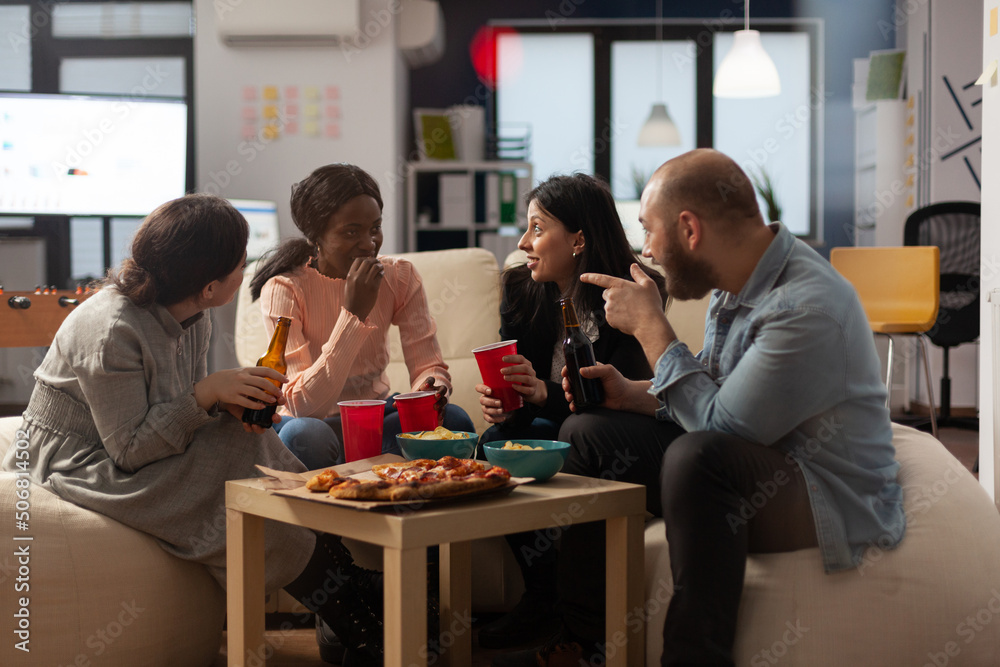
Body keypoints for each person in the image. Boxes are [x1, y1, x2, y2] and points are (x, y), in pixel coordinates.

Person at [494, 148, 905, 667]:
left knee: (698, 457)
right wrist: (630, 393)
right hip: (762, 457)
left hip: (823, 488)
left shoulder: (804, 306)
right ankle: (585, 635)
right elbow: (709, 385)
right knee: (585, 428)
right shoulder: (736, 287)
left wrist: (651, 329)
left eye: (650, 231)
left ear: (689, 229)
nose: (647, 250)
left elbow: (724, 427)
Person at [0, 195, 388, 665]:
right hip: (81, 458)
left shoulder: (193, 316)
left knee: (248, 437)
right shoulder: (110, 332)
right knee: (230, 469)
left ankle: (343, 584)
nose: (246, 271)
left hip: (134, 442)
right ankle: (351, 608)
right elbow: (130, 449)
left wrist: (225, 402)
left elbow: (176, 413)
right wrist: (206, 395)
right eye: (241, 264)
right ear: (208, 286)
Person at [474, 172, 666, 649]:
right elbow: (520, 399)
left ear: (579, 238)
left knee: (580, 426)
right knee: (492, 447)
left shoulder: (634, 289)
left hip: (606, 429)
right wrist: (507, 402)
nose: (523, 242)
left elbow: (612, 400)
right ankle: (542, 597)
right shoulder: (520, 288)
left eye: (537, 229)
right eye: (527, 228)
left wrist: (541, 392)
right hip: (547, 423)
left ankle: (569, 618)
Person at [249, 163, 474, 470]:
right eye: (351, 232)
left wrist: (431, 390)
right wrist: (353, 315)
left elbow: (428, 365)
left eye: (375, 228)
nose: (369, 244)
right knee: (306, 435)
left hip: (376, 419)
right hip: (314, 424)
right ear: (316, 235)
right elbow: (304, 406)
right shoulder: (285, 288)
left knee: (455, 419)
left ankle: (411, 510)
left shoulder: (399, 277)